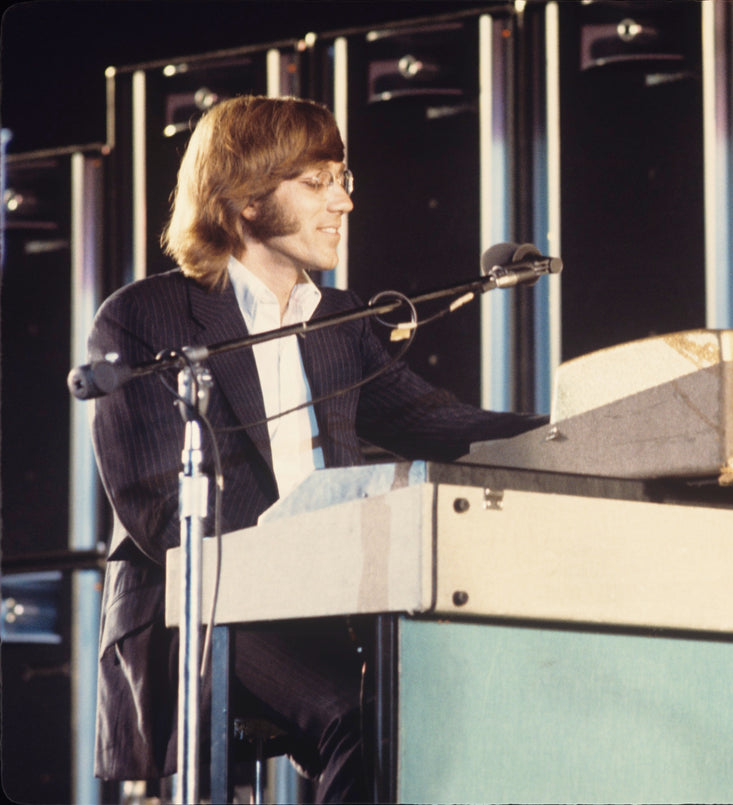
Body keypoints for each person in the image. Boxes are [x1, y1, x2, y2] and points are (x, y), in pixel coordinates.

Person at [88, 95, 545, 802]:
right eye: (316, 181)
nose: (343, 203)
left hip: (336, 590)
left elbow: (441, 422)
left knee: (451, 703)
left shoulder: (340, 320)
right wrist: (305, 563)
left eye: (344, 179)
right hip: (205, 603)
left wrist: (583, 430)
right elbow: (158, 510)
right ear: (243, 199)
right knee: (362, 715)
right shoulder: (144, 317)